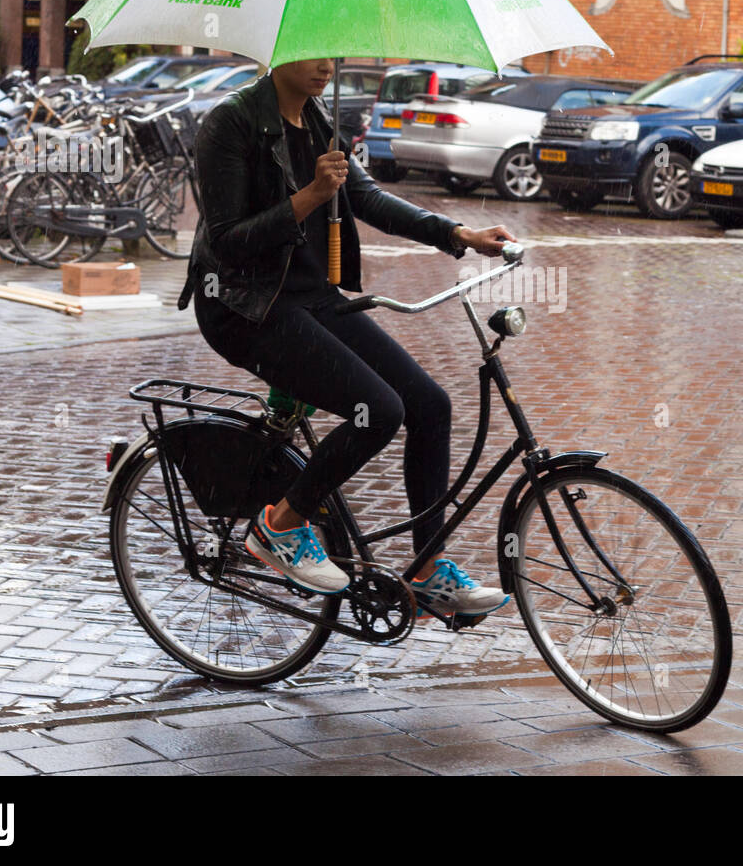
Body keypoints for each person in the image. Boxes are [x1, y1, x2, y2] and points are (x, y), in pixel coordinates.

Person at [177, 58, 516, 616]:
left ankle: (429, 569)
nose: (327, 67)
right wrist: (309, 195)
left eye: (333, 55)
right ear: (278, 51)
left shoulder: (318, 123)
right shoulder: (229, 123)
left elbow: (369, 199)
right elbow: (229, 241)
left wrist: (459, 235)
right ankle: (279, 525)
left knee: (429, 405)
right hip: (243, 306)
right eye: (314, 52)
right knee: (377, 409)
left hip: (310, 299)